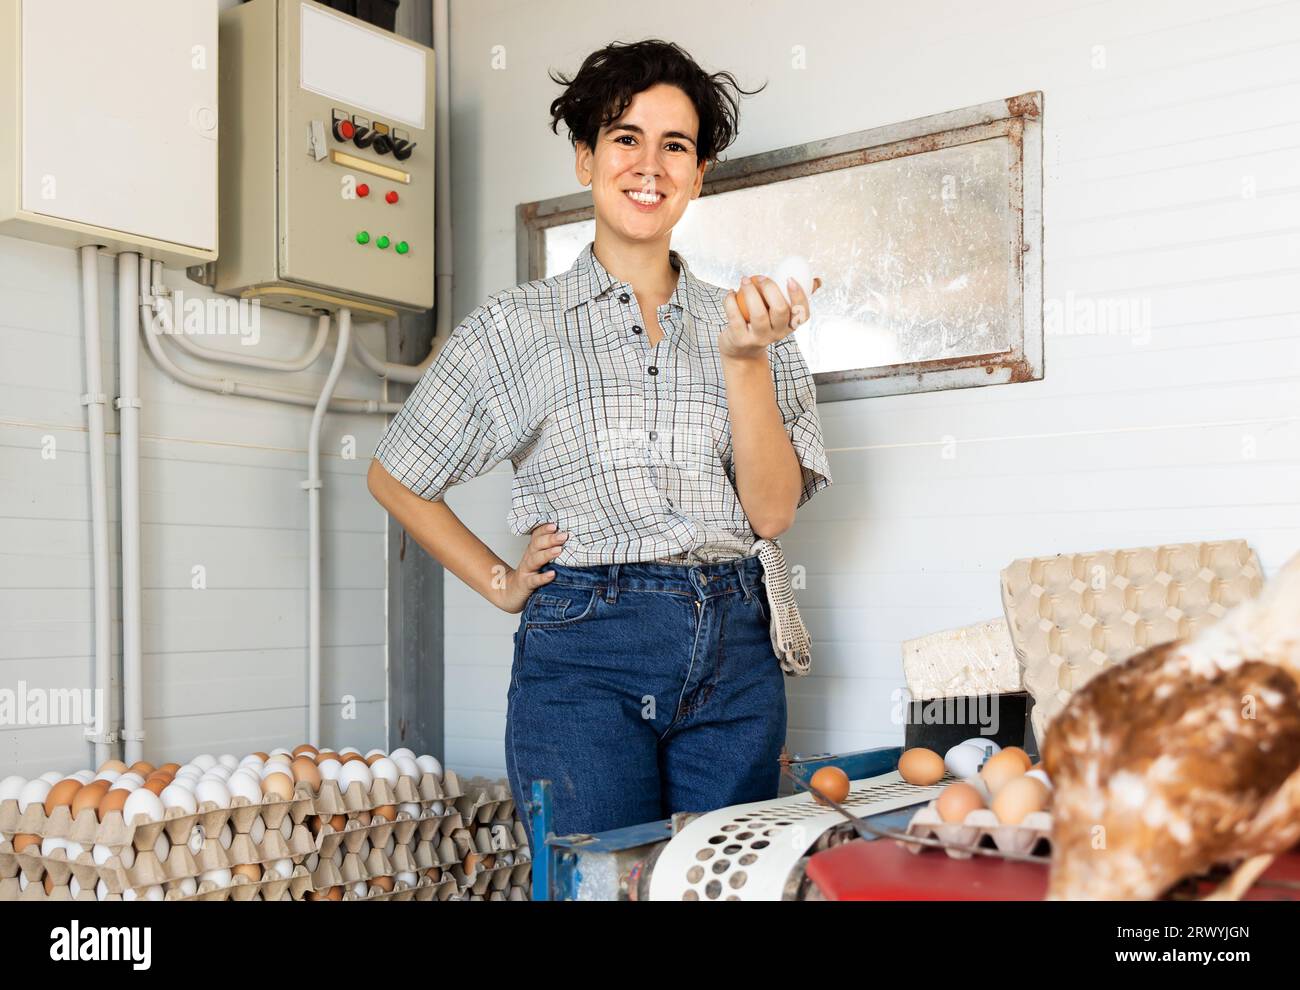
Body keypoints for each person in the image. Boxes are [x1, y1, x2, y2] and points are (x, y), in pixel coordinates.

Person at [367, 39, 832, 840]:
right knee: (595, 884)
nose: (649, 165)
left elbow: (773, 514)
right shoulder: (518, 326)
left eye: (675, 146)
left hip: (736, 650)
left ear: (698, 173)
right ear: (586, 158)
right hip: (587, 650)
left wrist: (745, 358)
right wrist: (499, 581)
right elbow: (395, 474)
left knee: (717, 891)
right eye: (625, 138)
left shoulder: (753, 324)